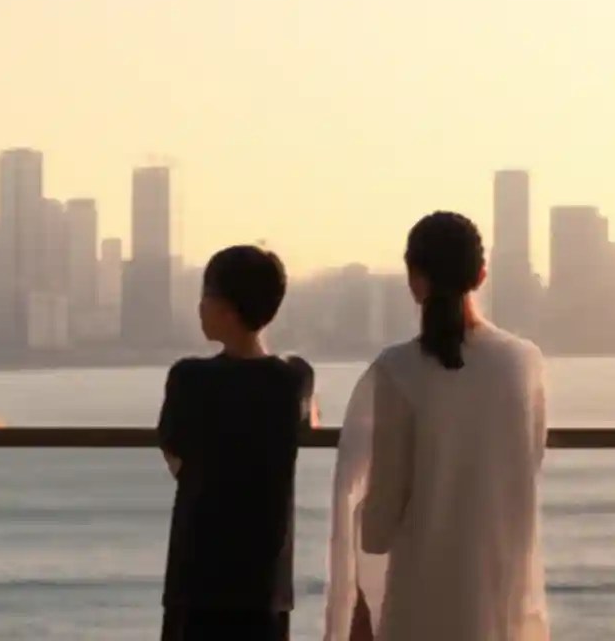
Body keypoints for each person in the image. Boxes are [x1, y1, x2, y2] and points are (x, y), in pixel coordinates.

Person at [324, 212, 549, 641]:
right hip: (502, 596)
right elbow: (528, 463)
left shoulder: (397, 370)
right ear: (481, 275)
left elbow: (378, 525)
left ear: (414, 280)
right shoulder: (525, 363)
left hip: (420, 600)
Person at [158, 245, 311, 641]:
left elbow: (176, 460)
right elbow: (305, 410)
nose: (199, 307)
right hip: (264, 589)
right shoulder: (293, 379)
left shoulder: (188, 379)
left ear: (225, 309)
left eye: (205, 295)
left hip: (197, 584)